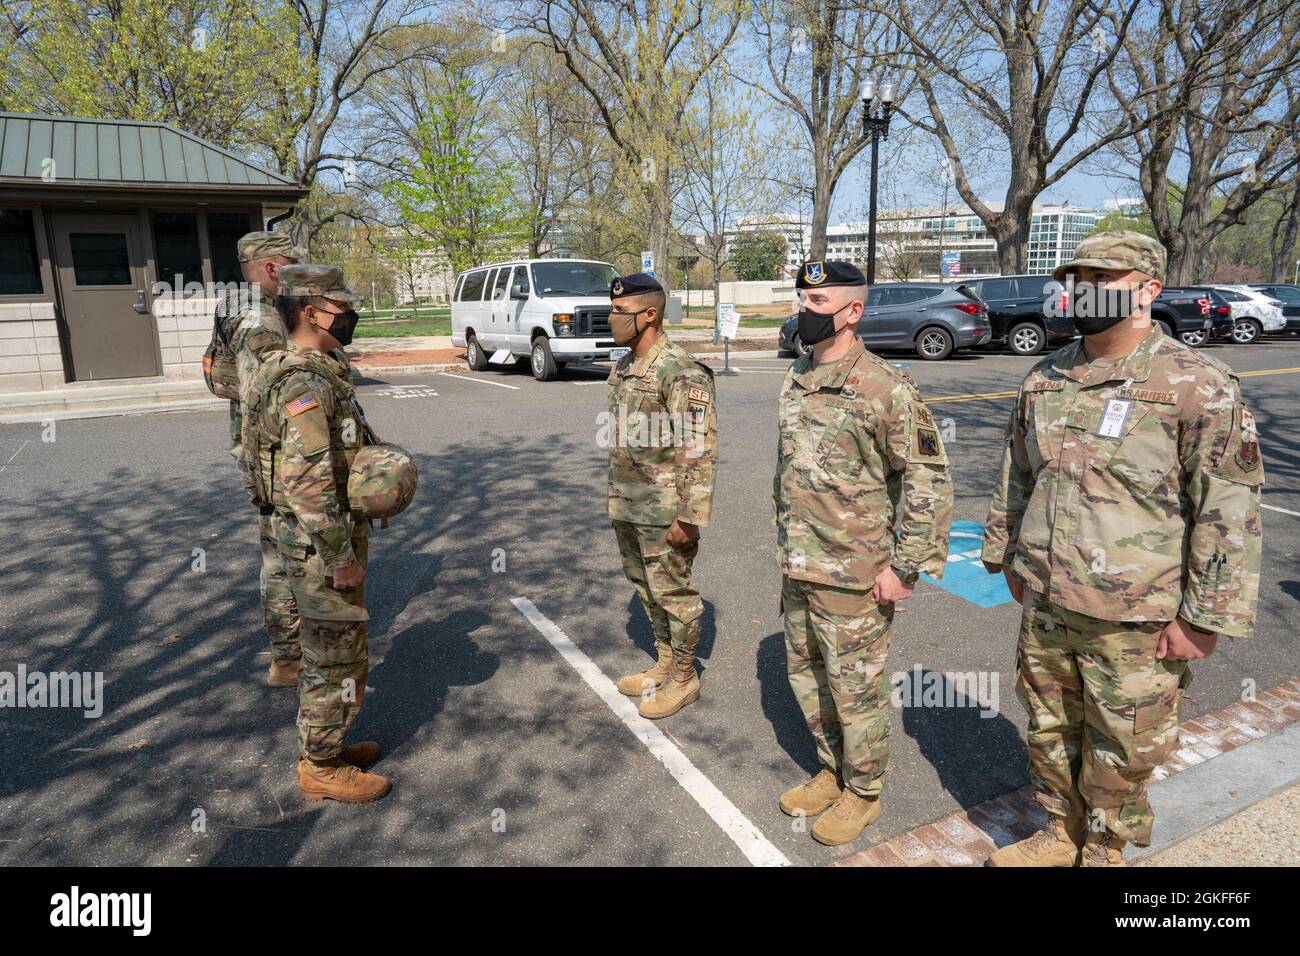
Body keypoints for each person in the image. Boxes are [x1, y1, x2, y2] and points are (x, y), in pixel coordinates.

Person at [981, 231, 1263, 866]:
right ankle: (1061, 830)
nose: (1084, 291)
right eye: (1077, 278)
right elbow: (1019, 473)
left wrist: (1204, 617)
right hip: (1050, 599)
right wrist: (1006, 554)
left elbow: (1228, 508)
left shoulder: (1196, 383)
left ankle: (1107, 848)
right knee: (1050, 727)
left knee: (1124, 746)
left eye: (1103, 280)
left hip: (1138, 613)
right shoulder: (1047, 374)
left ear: (1149, 289)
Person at [774, 260, 953, 846]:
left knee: (858, 691)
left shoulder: (884, 386)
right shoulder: (797, 374)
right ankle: (834, 769)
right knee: (809, 678)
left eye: (819, 302)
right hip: (801, 563)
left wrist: (906, 567)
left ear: (854, 311)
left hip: (855, 573)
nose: (806, 309)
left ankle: (865, 790)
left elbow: (926, 478)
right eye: (802, 298)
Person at [244, 264, 389, 803]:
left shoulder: (289, 368)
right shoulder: (303, 382)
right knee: (336, 655)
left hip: (304, 540)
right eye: (341, 308)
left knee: (335, 648)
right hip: (319, 547)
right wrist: (338, 554)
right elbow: (307, 482)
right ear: (310, 311)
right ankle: (321, 765)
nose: (350, 317)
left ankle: (331, 745)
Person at [607, 273, 718, 719]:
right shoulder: (624, 365)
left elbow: (698, 448)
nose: (612, 318)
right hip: (628, 502)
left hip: (665, 510)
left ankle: (685, 677)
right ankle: (667, 661)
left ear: (649, 314)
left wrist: (688, 516)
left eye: (620, 312)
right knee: (646, 588)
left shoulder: (680, 370)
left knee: (673, 593)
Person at [204, 231, 305, 686]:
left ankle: (289, 656)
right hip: (282, 455)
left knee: (277, 551)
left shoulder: (233, 303)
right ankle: (293, 658)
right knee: (290, 555)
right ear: (270, 267)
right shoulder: (260, 319)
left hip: (259, 450)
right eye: (294, 263)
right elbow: (275, 393)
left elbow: (218, 379)